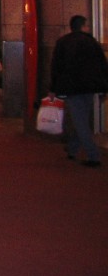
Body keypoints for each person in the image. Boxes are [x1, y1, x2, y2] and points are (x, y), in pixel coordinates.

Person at [50, 15, 108, 167]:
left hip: (71, 87)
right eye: (87, 25)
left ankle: (91, 155)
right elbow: (102, 65)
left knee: (79, 121)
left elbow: (56, 67)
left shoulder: (63, 42)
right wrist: (103, 88)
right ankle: (75, 149)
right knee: (81, 119)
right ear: (82, 27)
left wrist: (53, 88)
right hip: (89, 87)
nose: (88, 28)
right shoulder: (91, 42)